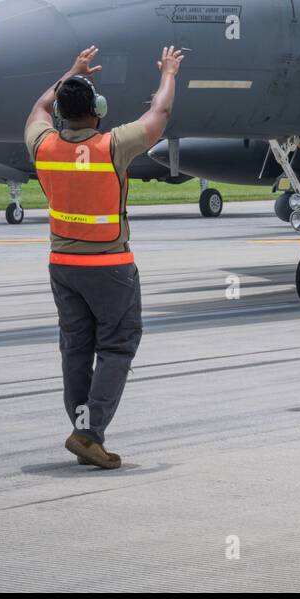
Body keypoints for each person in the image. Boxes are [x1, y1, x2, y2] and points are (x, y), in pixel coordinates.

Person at [23, 44, 185, 469]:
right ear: (98, 109)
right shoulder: (113, 146)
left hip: (63, 267)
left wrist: (69, 72)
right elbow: (161, 115)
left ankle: (83, 429)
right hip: (110, 267)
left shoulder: (42, 145)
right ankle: (89, 433)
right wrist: (169, 72)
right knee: (116, 345)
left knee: (76, 348)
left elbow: (38, 108)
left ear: (61, 111)